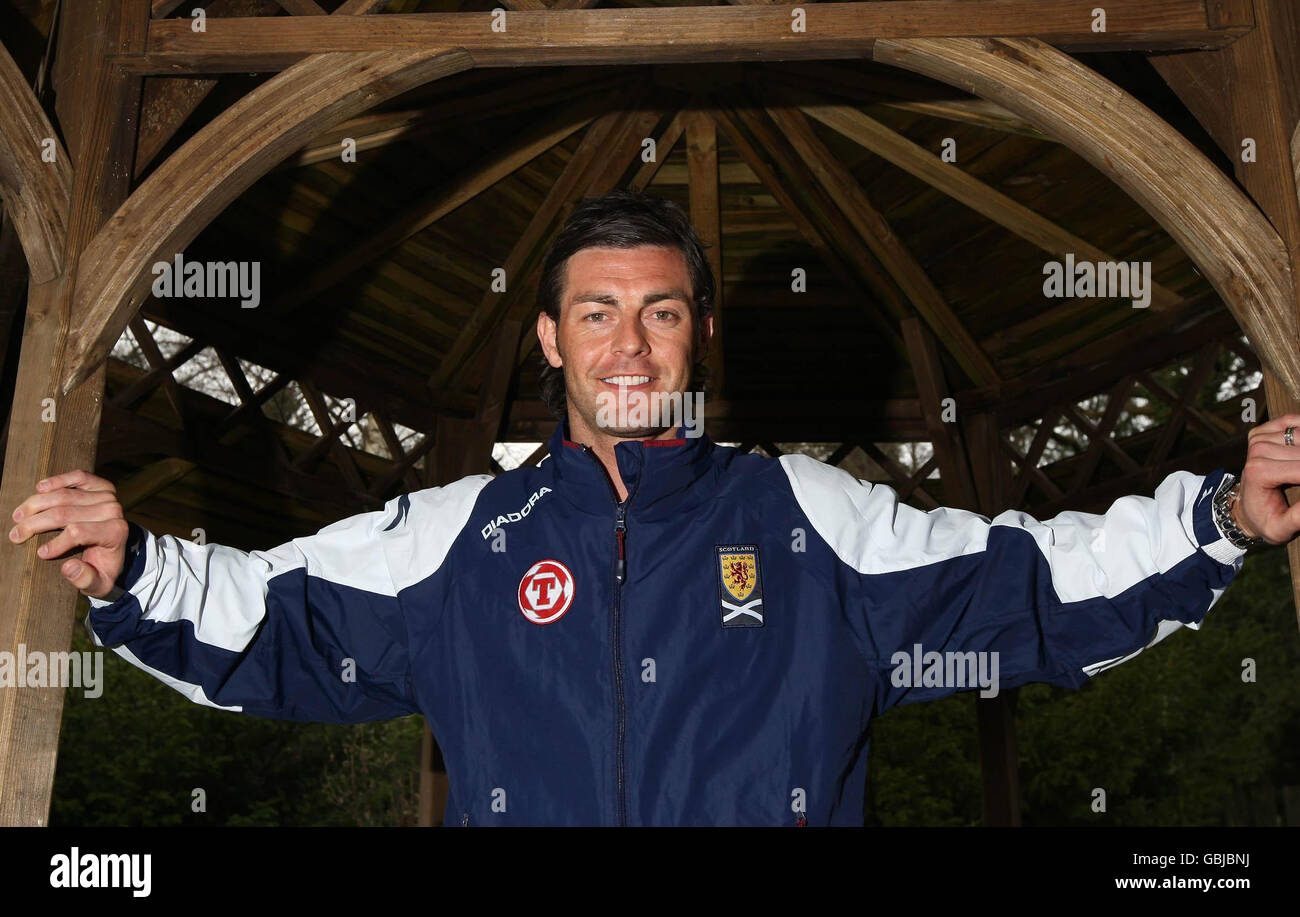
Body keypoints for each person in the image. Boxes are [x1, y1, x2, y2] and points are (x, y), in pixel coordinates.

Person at [9, 190, 1300, 826]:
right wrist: (135, 570)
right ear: (551, 341)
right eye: (598, 312)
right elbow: (268, 619)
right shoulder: (454, 540)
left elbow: (1035, 585)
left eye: (662, 310)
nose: (631, 345)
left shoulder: (815, 518)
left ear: (699, 335)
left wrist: (1223, 521)